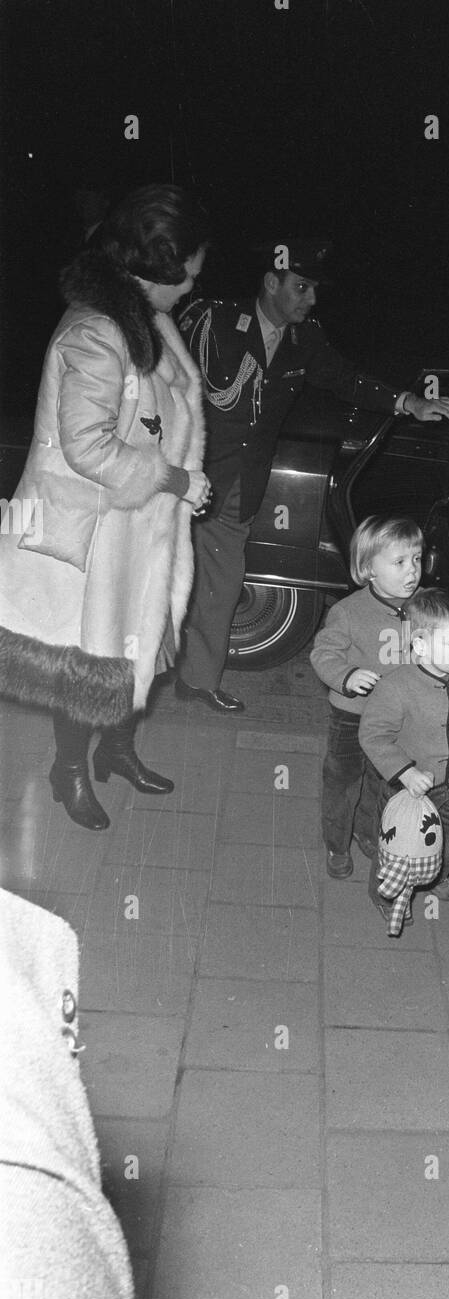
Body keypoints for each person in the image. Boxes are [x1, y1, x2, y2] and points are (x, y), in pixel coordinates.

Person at [0, 184, 211, 830]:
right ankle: (66, 771)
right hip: (92, 533)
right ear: (157, 269)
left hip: (136, 527)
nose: (192, 287)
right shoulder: (96, 332)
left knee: (143, 643)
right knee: (89, 660)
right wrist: (174, 481)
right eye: (188, 275)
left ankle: (116, 751)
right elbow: (87, 446)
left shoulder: (140, 317)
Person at [175, 241, 449, 712]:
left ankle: (197, 680)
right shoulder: (214, 321)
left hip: (237, 486)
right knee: (154, 575)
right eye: (301, 287)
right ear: (272, 282)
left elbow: (347, 379)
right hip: (182, 471)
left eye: (314, 289)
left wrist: (409, 402)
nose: (311, 299)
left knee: (220, 586)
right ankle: (138, 672)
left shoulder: (305, 340)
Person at [359, 587, 449, 920]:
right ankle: (386, 894)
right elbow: (373, 735)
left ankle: (435, 874)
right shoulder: (396, 687)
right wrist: (405, 772)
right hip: (405, 790)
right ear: (421, 646)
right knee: (397, 849)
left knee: (448, 842)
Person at [310, 515, 423, 879]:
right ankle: (337, 844)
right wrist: (346, 676)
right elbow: (324, 653)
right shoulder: (348, 611)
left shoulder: (426, 607)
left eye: (417, 559)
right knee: (342, 782)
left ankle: (367, 831)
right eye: (399, 562)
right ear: (368, 569)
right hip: (352, 715)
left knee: (382, 780)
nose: (412, 570)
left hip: (395, 720)